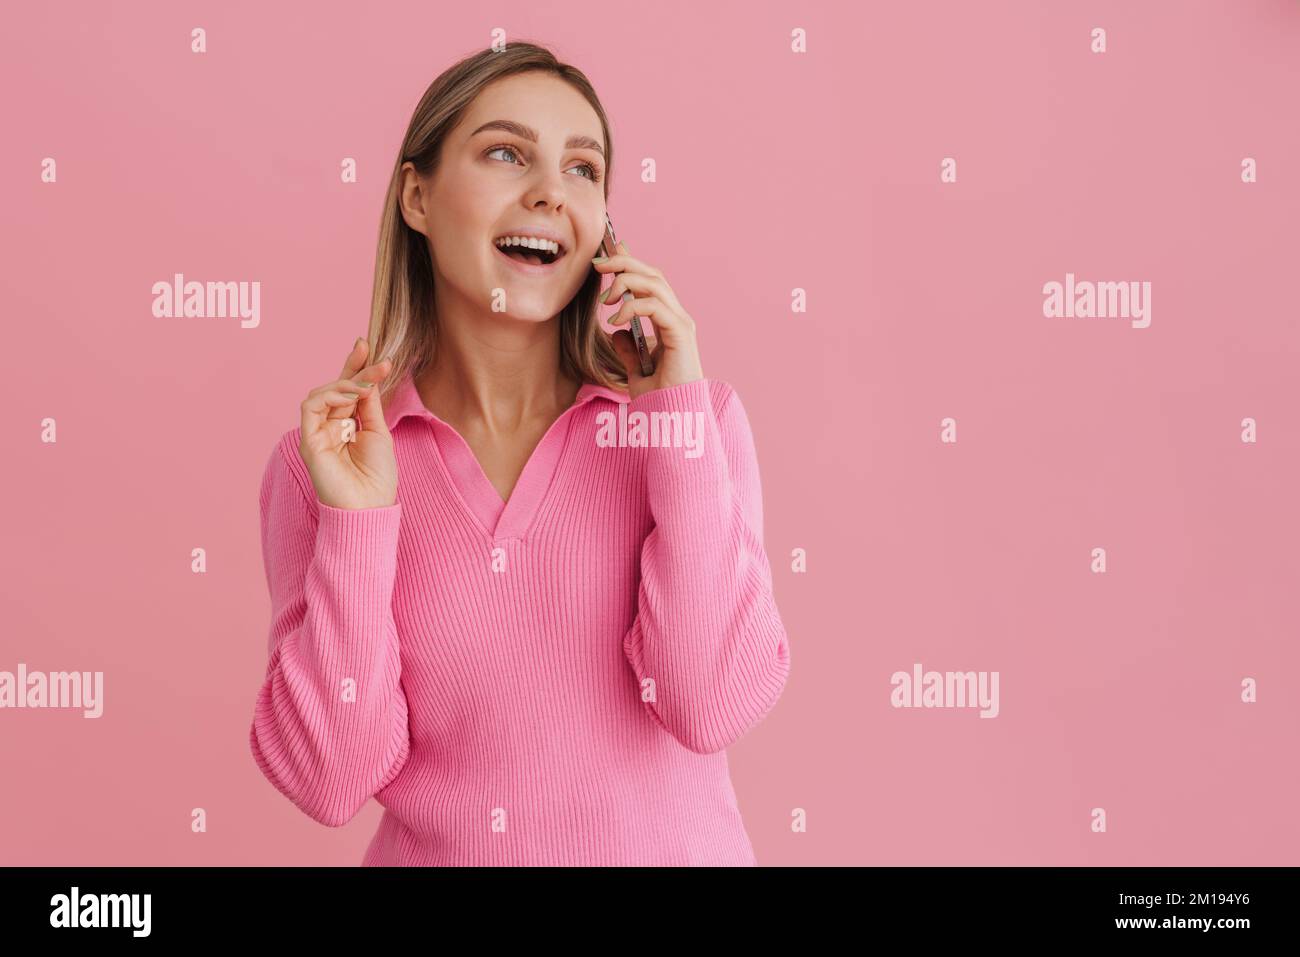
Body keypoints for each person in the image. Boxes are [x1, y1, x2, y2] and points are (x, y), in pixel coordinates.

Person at [249, 40, 791, 866]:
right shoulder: (326, 463)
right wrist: (360, 523)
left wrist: (673, 429)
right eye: (506, 153)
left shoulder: (696, 425)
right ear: (417, 196)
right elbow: (330, 779)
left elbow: (707, 702)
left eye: (583, 168)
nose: (549, 191)